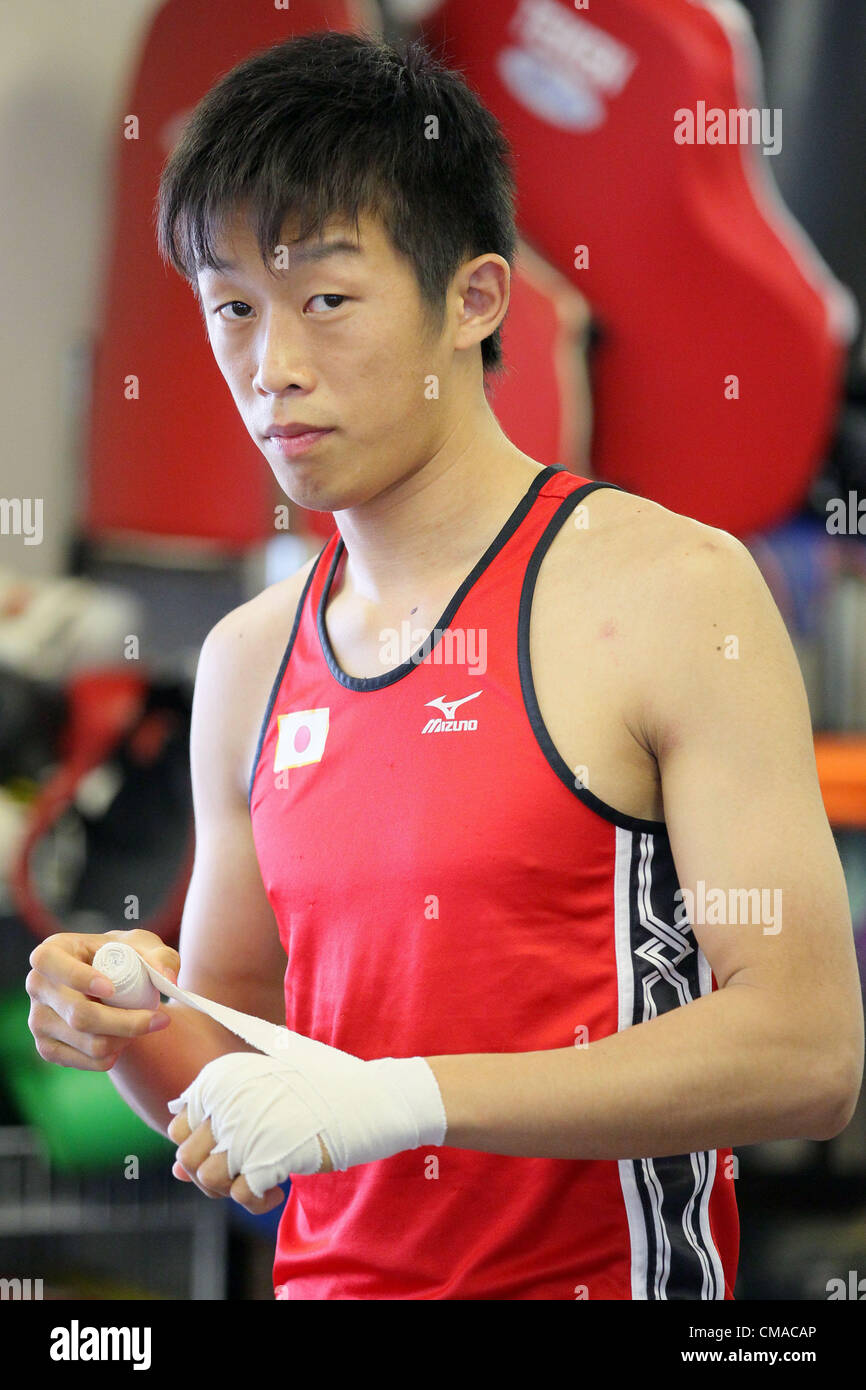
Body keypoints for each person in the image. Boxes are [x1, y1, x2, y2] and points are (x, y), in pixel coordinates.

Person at [26, 30, 863, 1300]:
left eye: (325, 300)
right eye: (232, 309)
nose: (273, 369)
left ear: (474, 300)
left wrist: (407, 1099)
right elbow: (236, 1077)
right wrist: (119, 1013)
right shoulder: (252, 660)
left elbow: (805, 1050)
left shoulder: (666, 591)